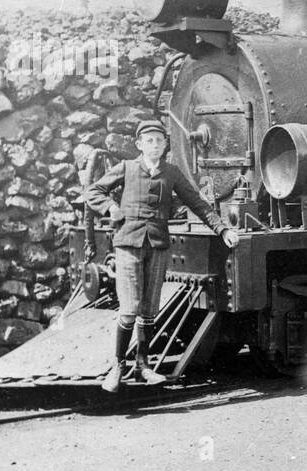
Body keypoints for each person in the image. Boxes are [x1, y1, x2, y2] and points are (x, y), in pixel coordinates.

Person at [84, 119, 239, 392]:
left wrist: (222, 228)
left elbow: (198, 203)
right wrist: (110, 207)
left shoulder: (172, 173)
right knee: (129, 308)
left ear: (166, 144)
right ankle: (118, 366)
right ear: (139, 145)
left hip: (157, 246)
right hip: (129, 244)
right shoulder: (127, 168)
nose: (155, 145)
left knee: (149, 310)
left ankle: (144, 367)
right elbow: (93, 191)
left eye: (159, 140)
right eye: (149, 141)